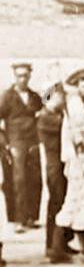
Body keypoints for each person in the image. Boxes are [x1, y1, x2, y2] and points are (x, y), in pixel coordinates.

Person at [55, 68, 84, 263]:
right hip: (79, 161)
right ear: (77, 87)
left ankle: (58, 246)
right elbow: (83, 135)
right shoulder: (75, 107)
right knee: (81, 200)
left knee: (76, 200)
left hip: (80, 160)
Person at [0, 61, 43, 231]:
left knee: (35, 179)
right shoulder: (7, 96)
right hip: (15, 142)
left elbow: (47, 103)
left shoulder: (34, 96)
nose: (23, 79)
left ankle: (31, 217)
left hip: (33, 143)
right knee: (18, 180)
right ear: (15, 77)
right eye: (19, 76)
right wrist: (5, 143)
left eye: (25, 75)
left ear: (30, 76)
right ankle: (18, 219)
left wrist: (54, 82)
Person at [38, 85, 69, 262]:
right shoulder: (46, 118)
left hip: (59, 166)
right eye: (60, 97)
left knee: (62, 202)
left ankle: (62, 242)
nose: (63, 100)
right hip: (54, 167)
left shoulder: (56, 116)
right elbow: (64, 127)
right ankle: (53, 246)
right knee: (57, 203)